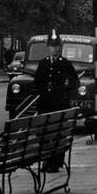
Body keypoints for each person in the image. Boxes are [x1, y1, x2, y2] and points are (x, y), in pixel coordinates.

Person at [34, 29, 79, 169]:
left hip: (59, 104)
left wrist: (65, 91)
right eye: (53, 46)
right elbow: (37, 82)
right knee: (45, 133)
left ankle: (56, 161)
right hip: (45, 104)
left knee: (59, 133)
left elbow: (75, 83)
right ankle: (47, 159)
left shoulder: (64, 63)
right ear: (48, 47)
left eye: (57, 46)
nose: (55, 49)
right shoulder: (43, 63)